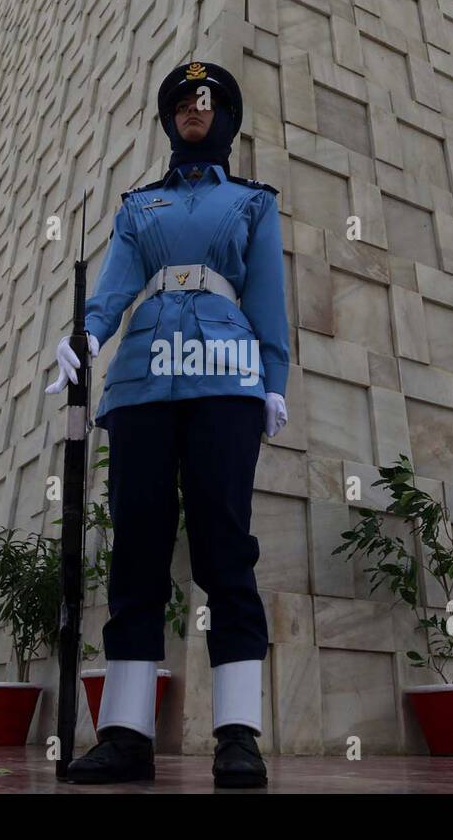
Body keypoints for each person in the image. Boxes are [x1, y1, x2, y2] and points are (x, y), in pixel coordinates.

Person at [44, 60, 289, 787]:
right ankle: (125, 735)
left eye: (207, 100)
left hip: (226, 379)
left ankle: (238, 734)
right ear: (171, 116)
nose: (195, 108)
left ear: (225, 118)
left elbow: (269, 296)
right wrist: (88, 334)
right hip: (144, 381)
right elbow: (117, 283)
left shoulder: (252, 203)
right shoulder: (139, 208)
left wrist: (273, 380)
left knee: (224, 545)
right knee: (137, 549)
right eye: (184, 99)